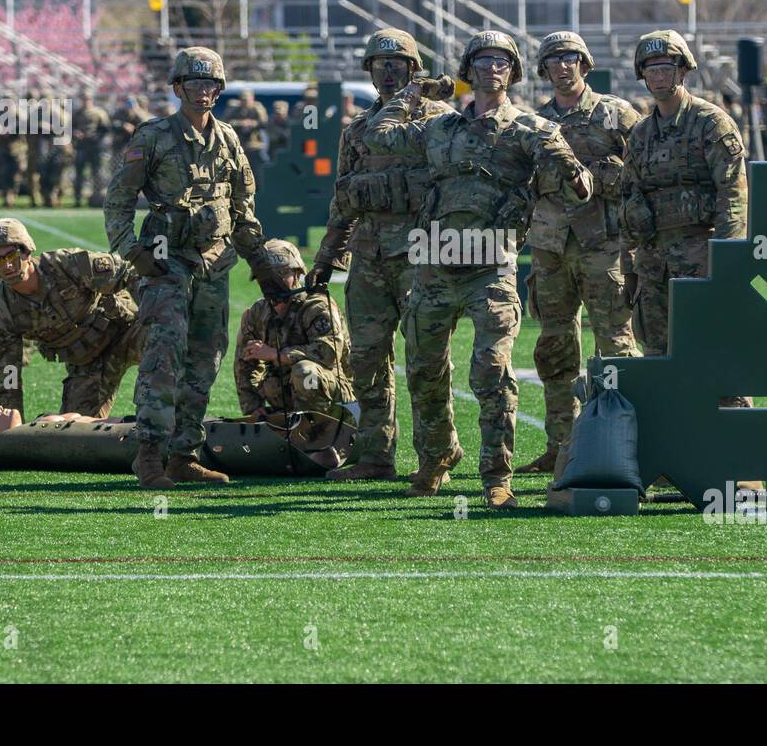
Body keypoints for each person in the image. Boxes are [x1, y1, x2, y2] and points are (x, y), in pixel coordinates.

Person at [362, 30, 593, 508]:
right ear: (469, 70)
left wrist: (571, 169)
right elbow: (377, 136)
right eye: (483, 60)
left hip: (492, 264)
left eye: (502, 61)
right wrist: (411, 93)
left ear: (513, 71)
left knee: (491, 371)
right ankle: (437, 456)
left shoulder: (531, 129)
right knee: (424, 367)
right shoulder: (441, 128)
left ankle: (496, 476)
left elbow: (579, 190)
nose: (492, 68)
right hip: (434, 260)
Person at [105, 46, 288, 489]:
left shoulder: (228, 138)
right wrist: (132, 251)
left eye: (211, 84)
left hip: (214, 265)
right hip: (167, 263)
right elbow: (118, 200)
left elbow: (243, 210)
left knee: (206, 357)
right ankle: (149, 455)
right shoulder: (153, 136)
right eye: (194, 83)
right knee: (163, 355)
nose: (203, 92)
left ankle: (183, 453)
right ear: (177, 88)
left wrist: (263, 266)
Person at [309, 29, 451, 481]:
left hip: (421, 255)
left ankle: (436, 456)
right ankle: (374, 456)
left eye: (397, 65)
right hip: (369, 258)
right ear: (369, 72)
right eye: (379, 65)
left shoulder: (441, 121)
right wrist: (327, 254)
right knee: (367, 360)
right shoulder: (358, 131)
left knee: (426, 358)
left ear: (414, 70)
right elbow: (344, 198)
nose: (387, 72)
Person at [518, 31, 642, 473]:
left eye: (570, 58)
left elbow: (643, 171)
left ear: (584, 64)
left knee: (617, 346)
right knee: (555, 348)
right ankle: (561, 446)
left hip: (604, 246)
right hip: (551, 248)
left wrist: (606, 177)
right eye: (553, 60)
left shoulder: (616, 114)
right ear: (544, 70)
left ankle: (632, 442)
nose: (562, 66)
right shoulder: (534, 122)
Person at [621, 31, 748, 369]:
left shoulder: (712, 124)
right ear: (642, 76)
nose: (659, 76)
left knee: (714, 353)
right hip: (652, 265)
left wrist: (727, 261)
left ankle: (732, 421)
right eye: (651, 69)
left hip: (701, 259)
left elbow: (732, 195)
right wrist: (628, 269)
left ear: (683, 71)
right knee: (658, 358)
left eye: (666, 67)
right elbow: (630, 200)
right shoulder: (641, 134)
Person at [0, 217, 144, 419]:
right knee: (74, 432)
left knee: (163, 344)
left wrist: (156, 318)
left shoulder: (68, 264)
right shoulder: (2, 316)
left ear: (26, 251)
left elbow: (130, 273)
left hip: (128, 331)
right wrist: (10, 425)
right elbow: (7, 375)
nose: (7, 265)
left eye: (11, 255)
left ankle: (165, 421)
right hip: (88, 364)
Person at [234, 239, 355, 469]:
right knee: (274, 382)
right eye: (267, 277)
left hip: (336, 401)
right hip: (287, 400)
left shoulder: (317, 306)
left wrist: (276, 354)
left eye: (281, 275)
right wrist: (253, 408)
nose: (274, 283)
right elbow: (245, 364)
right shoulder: (257, 313)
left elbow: (328, 353)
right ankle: (284, 434)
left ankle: (319, 445)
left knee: (305, 372)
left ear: (298, 273)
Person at [72, 90, 111, 207]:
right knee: (79, 173)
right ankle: (78, 198)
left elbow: (105, 129)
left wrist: (95, 137)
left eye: (87, 99)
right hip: (81, 146)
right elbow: (71, 127)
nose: (85, 101)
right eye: (83, 99)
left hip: (95, 147)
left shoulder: (99, 113)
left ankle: (97, 198)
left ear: (91, 100)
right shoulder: (77, 113)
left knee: (97, 172)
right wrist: (76, 133)